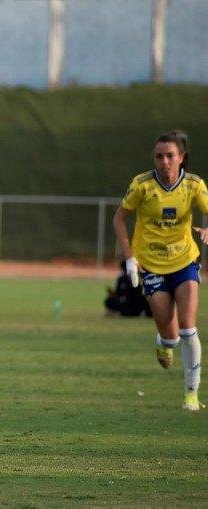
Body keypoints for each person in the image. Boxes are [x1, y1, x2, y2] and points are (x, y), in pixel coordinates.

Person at [112, 130, 206, 412]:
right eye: (158, 156)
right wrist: (130, 258)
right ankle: (165, 341)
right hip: (151, 265)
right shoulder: (141, 185)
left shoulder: (193, 185)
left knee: (189, 327)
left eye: (169, 156)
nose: (164, 161)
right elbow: (119, 218)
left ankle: (191, 394)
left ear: (182, 158)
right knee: (171, 332)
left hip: (185, 261)